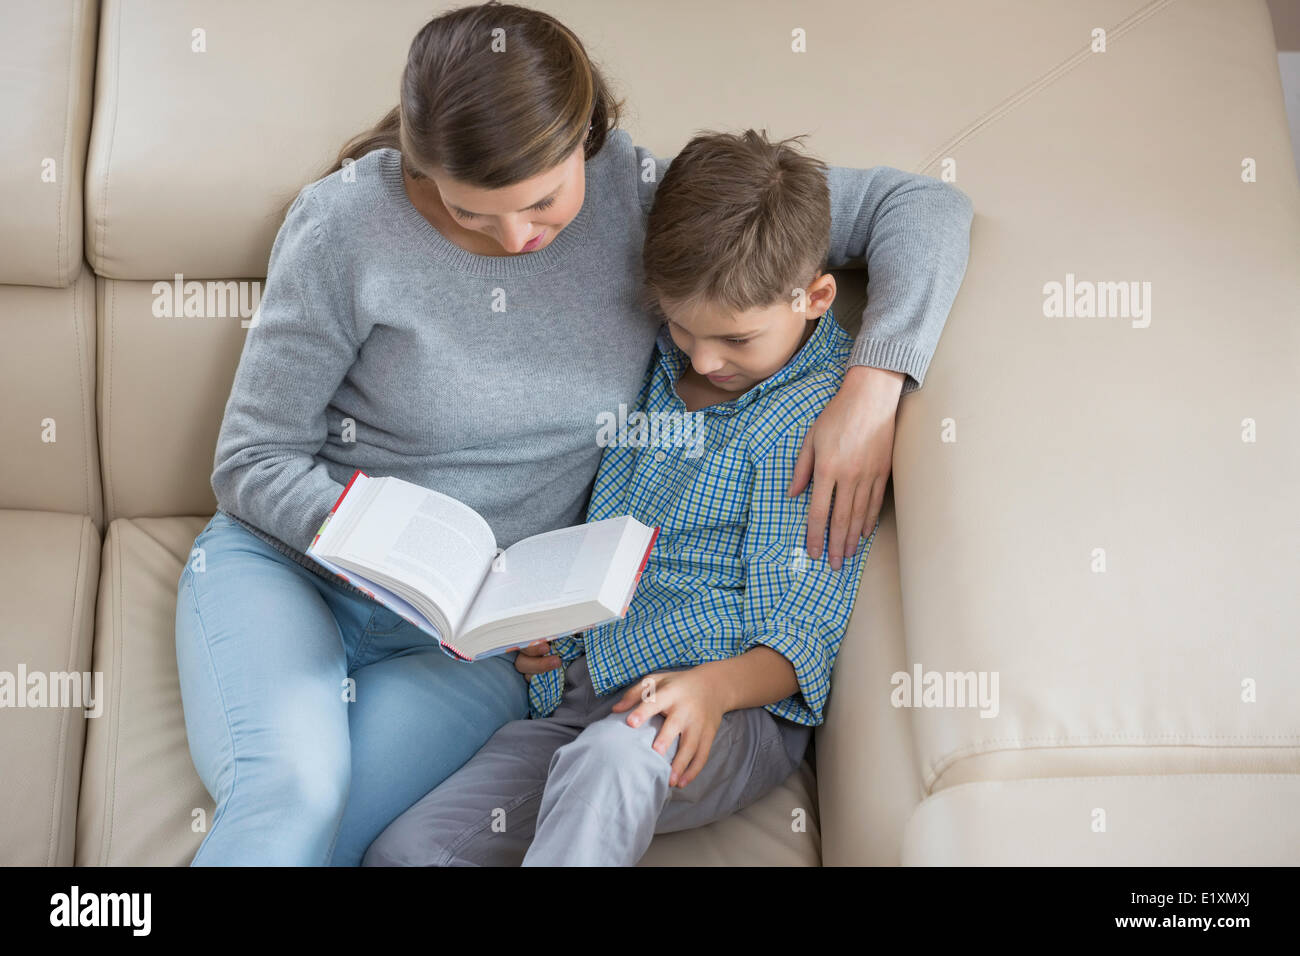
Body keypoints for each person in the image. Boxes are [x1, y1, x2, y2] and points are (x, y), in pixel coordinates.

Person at [175, 1, 972, 866]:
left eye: (543, 202)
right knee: (295, 793)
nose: (517, 239)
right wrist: (386, 541)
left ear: (586, 134)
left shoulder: (655, 203)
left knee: (348, 837)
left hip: (468, 644)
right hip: (294, 573)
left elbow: (920, 207)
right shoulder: (344, 228)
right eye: (471, 212)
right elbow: (251, 460)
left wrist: (873, 383)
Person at [363, 129, 876, 866]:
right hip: (584, 693)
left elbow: (805, 628)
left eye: (736, 339)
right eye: (683, 326)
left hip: (724, 705)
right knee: (407, 852)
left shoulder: (813, 421)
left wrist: (711, 691)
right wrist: (546, 629)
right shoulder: (650, 364)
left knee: (615, 762)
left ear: (816, 296)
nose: (704, 358)